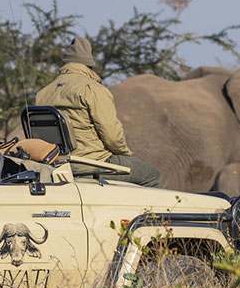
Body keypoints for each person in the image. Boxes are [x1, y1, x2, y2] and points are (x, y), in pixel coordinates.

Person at [35, 36, 161, 187]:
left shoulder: (42, 93)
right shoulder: (92, 89)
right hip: (92, 163)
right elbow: (112, 136)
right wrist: (124, 154)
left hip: (56, 163)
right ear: (89, 64)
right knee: (152, 176)